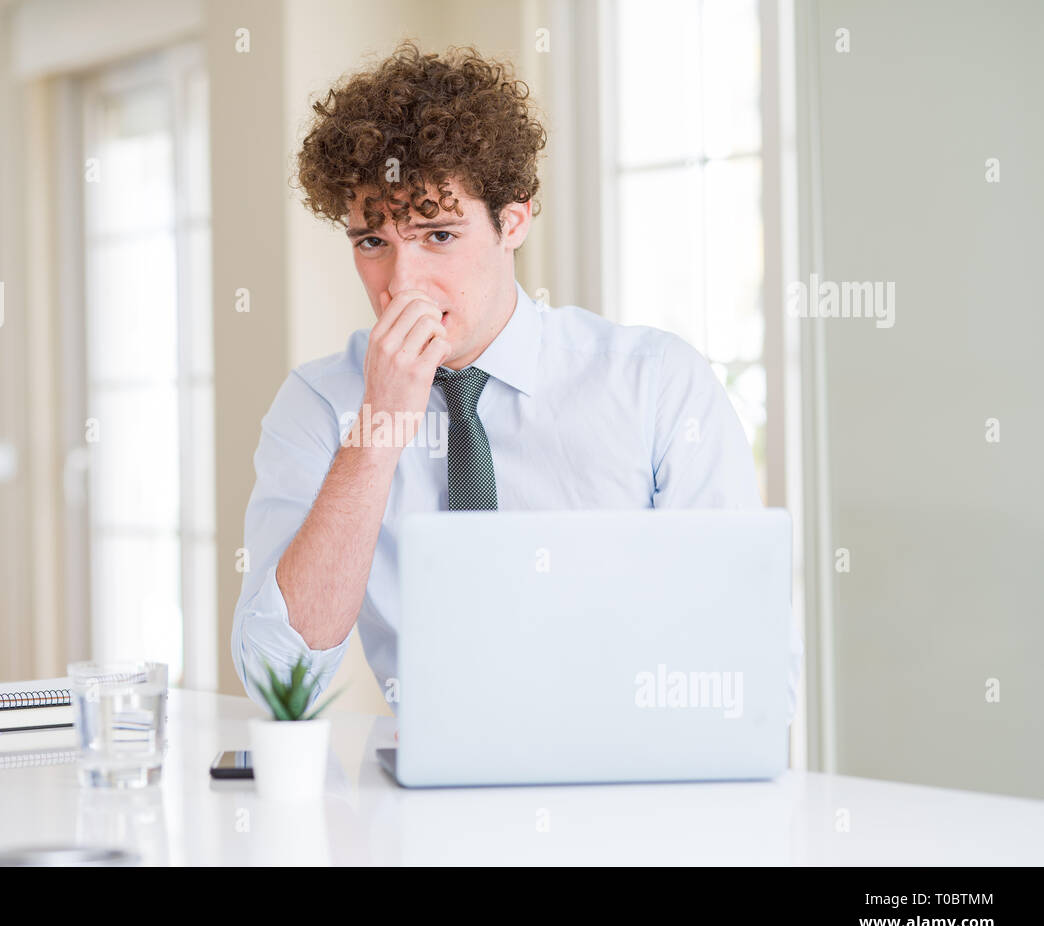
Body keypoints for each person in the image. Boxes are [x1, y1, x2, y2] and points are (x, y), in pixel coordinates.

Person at [231, 40, 801, 725]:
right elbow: (273, 678)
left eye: (438, 235)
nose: (402, 284)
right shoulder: (319, 405)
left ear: (515, 220)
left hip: (632, 790)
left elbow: (758, 670)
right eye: (373, 242)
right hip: (423, 809)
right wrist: (379, 429)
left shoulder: (656, 385)